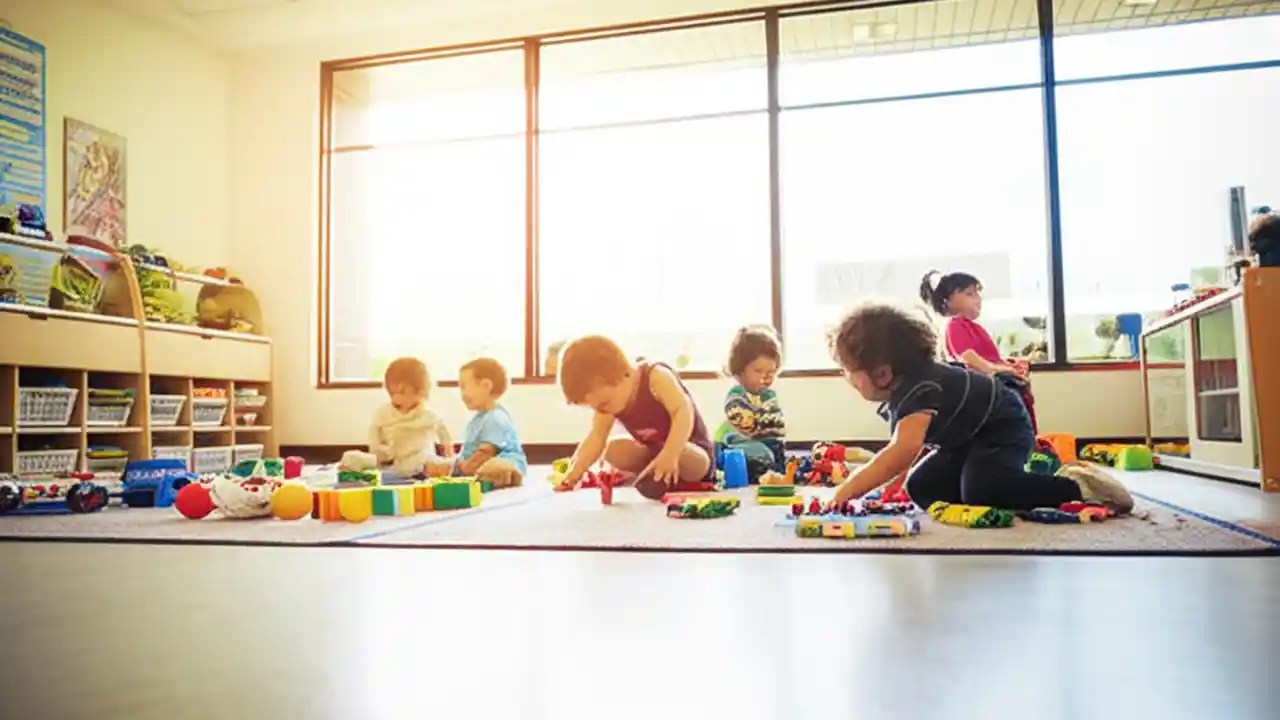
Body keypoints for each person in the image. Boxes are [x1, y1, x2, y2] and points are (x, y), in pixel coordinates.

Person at [826, 302, 1133, 513]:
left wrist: (845, 493)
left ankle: (1077, 486)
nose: (847, 379)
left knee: (983, 490)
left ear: (882, 372)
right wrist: (893, 484)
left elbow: (902, 449)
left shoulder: (920, 386)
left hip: (1001, 427)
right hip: (964, 441)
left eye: (849, 370)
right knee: (920, 487)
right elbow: (910, 448)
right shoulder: (905, 389)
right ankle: (991, 488)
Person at [556, 335, 716, 500]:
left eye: (604, 404)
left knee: (691, 458)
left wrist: (670, 453)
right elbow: (596, 437)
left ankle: (661, 469)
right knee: (612, 449)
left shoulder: (656, 376)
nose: (602, 410)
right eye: (596, 407)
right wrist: (574, 474)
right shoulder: (607, 404)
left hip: (687, 451)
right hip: (652, 451)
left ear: (619, 376)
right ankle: (654, 473)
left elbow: (682, 411)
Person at [920, 270, 1038, 433]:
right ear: (948, 301)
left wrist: (1007, 363)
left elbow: (988, 357)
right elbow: (970, 360)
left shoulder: (973, 327)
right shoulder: (956, 325)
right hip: (987, 391)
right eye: (969, 294)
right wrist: (1004, 369)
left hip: (996, 384)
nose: (977, 298)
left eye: (977, 293)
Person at [346, 356, 452, 475]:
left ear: (420, 392)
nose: (396, 397)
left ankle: (437, 469)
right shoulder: (384, 412)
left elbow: (443, 432)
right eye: (392, 393)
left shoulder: (427, 414)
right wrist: (380, 451)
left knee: (431, 461)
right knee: (352, 458)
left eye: (402, 392)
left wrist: (448, 451)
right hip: (390, 459)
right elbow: (374, 433)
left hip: (419, 459)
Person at [433, 357, 527, 488]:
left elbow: (486, 452)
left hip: (504, 462)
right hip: (475, 466)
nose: (461, 394)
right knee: (439, 465)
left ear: (486, 386)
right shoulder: (477, 419)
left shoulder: (496, 417)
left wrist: (461, 470)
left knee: (493, 467)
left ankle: (506, 478)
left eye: (464, 386)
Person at [721, 325, 787, 472]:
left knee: (781, 457)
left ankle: (771, 467)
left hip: (765, 441)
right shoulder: (738, 394)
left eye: (771, 372)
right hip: (738, 440)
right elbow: (745, 424)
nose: (765, 377)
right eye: (758, 371)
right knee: (762, 455)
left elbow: (777, 426)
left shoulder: (768, 395)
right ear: (740, 369)